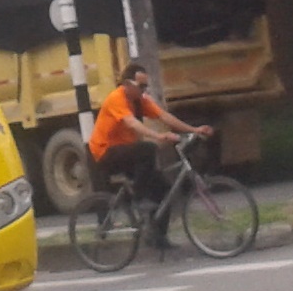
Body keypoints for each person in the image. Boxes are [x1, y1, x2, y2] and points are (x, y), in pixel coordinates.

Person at [87, 61, 215, 248]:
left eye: (146, 86)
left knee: (164, 190)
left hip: (126, 151)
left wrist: (194, 129)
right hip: (104, 152)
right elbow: (132, 123)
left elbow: (164, 116)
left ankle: (158, 238)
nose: (144, 90)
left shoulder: (140, 101)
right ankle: (140, 199)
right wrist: (158, 136)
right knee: (148, 149)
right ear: (127, 84)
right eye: (141, 86)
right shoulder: (116, 98)